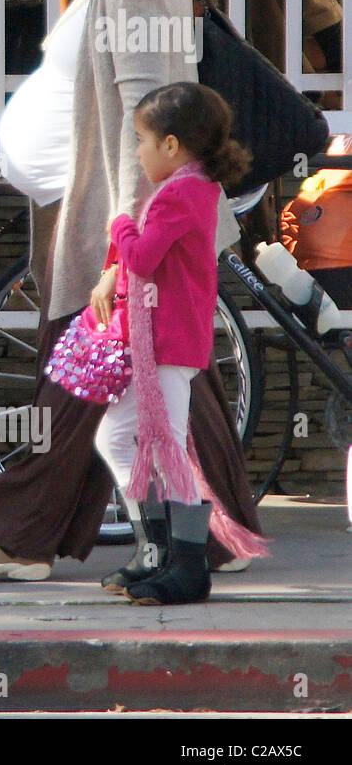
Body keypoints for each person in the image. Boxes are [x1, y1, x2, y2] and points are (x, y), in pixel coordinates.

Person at [0, 0, 264, 581]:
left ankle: (19, 538)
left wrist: (128, 249)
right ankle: (215, 534)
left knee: (81, 380)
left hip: (124, 225)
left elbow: (156, 128)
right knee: (168, 383)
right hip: (123, 222)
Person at [87, 82, 266, 605]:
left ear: (171, 145)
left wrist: (119, 224)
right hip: (163, 343)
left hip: (169, 344)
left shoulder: (184, 193)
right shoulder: (189, 187)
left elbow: (141, 258)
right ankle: (159, 552)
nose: (137, 152)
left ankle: (187, 567)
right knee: (121, 441)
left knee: (166, 451)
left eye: (142, 140)